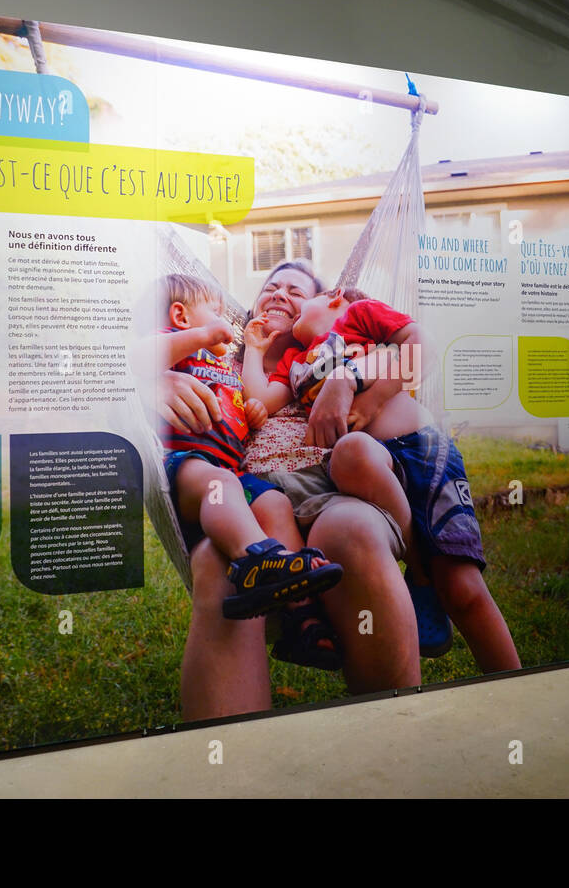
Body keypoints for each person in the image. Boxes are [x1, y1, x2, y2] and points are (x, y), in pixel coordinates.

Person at [155, 261, 421, 720]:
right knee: (219, 562)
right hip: (247, 502)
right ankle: (231, 767)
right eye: (270, 287)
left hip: (331, 492)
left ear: (321, 309)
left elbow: (406, 354)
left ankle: (391, 735)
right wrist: (155, 379)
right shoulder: (217, 357)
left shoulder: (334, 352)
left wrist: (344, 381)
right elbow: (131, 364)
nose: (279, 294)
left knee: (349, 530)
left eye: (296, 291)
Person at [242, 286, 520, 674]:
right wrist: (252, 351)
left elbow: (421, 346)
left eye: (300, 294)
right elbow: (259, 399)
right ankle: (421, 578)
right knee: (349, 458)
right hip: (373, 465)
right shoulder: (294, 361)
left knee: (461, 588)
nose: (291, 302)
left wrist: (369, 399)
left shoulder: (359, 316)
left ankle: (510, 680)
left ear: (336, 296)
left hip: (420, 451)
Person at [152, 273, 343, 620]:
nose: (225, 322)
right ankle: (254, 557)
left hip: (233, 471)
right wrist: (199, 337)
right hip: (187, 463)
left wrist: (249, 411)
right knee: (221, 486)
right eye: (216, 312)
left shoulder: (235, 366)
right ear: (181, 318)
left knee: (273, 502)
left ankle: (303, 616)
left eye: (295, 291)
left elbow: (238, 402)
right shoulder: (182, 346)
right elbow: (135, 359)